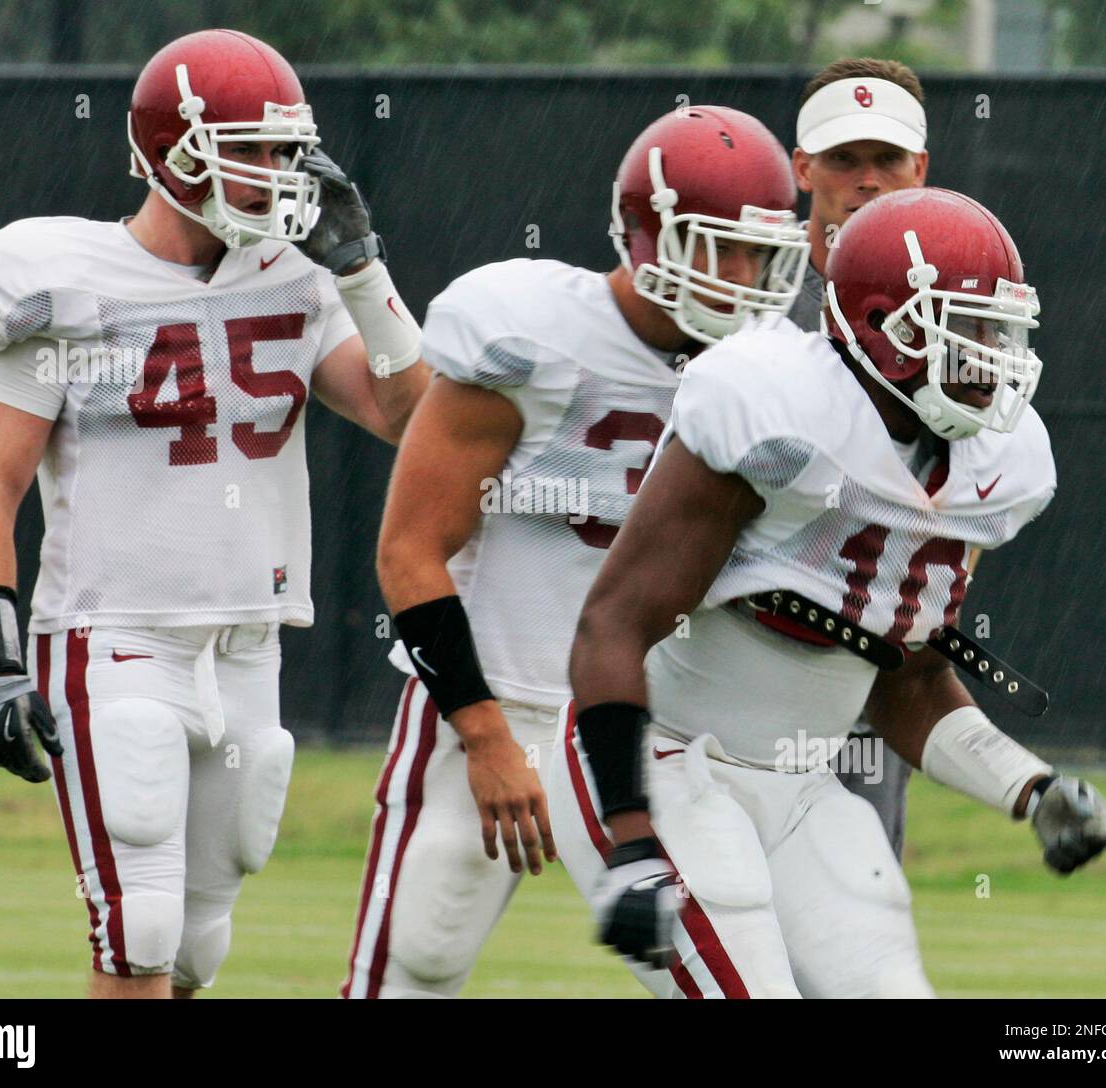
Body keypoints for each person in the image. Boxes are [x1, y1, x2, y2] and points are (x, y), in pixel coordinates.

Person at [0, 28, 428, 999]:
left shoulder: (297, 280)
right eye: (250, 147)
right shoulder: (65, 283)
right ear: (171, 149)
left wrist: (363, 269)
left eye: (286, 149)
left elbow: (409, 417)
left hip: (248, 641)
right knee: (140, 929)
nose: (275, 174)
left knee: (198, 944)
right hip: (112, 634)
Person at [548, 187, 1106, 998]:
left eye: (1001, 329)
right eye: (968, 326)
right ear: (889, 327)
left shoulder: (1000, 466)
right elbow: (613, 623)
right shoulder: (777, 414)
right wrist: (632, 839)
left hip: (803, 787)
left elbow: (909, 675)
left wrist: (1030, 788)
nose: (993, 353)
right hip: (667, 758)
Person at [341, 106, 809, 998]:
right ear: (650, 234)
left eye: (761, 252)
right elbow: (409, 551)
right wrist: (481, 735)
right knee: (413, 965)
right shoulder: (530, 334)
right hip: (498, 703)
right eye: (720, 248)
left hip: (657, 732)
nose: (746, 277)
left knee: (740, 981)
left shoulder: (774, 376)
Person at [789, 57, 932, 857]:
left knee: (860, 894)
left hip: (869, 645)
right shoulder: (740, 285)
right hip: (724, 641)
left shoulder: (961, 296)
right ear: (802, 166)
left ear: (921, 167)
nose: (866, 181)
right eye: (844, 159)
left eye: (887, 160)